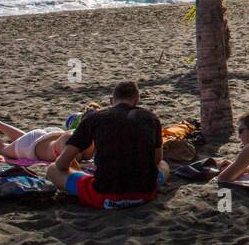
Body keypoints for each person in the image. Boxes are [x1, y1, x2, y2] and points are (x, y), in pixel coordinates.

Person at [48, 80, 167, 210]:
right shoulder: (151, 118)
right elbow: (157, 160)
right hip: (145, 193)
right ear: (136, 100)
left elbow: (62, 164)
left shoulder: (94, 119)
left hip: (103, 195)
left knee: (53, 169)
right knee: (164, 165)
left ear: (112, 101)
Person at [0, 118, 71, 163]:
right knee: (3, 149)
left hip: (47, 136)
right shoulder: (76, 145)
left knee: (25, 139)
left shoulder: (79, 133)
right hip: (32, 148)